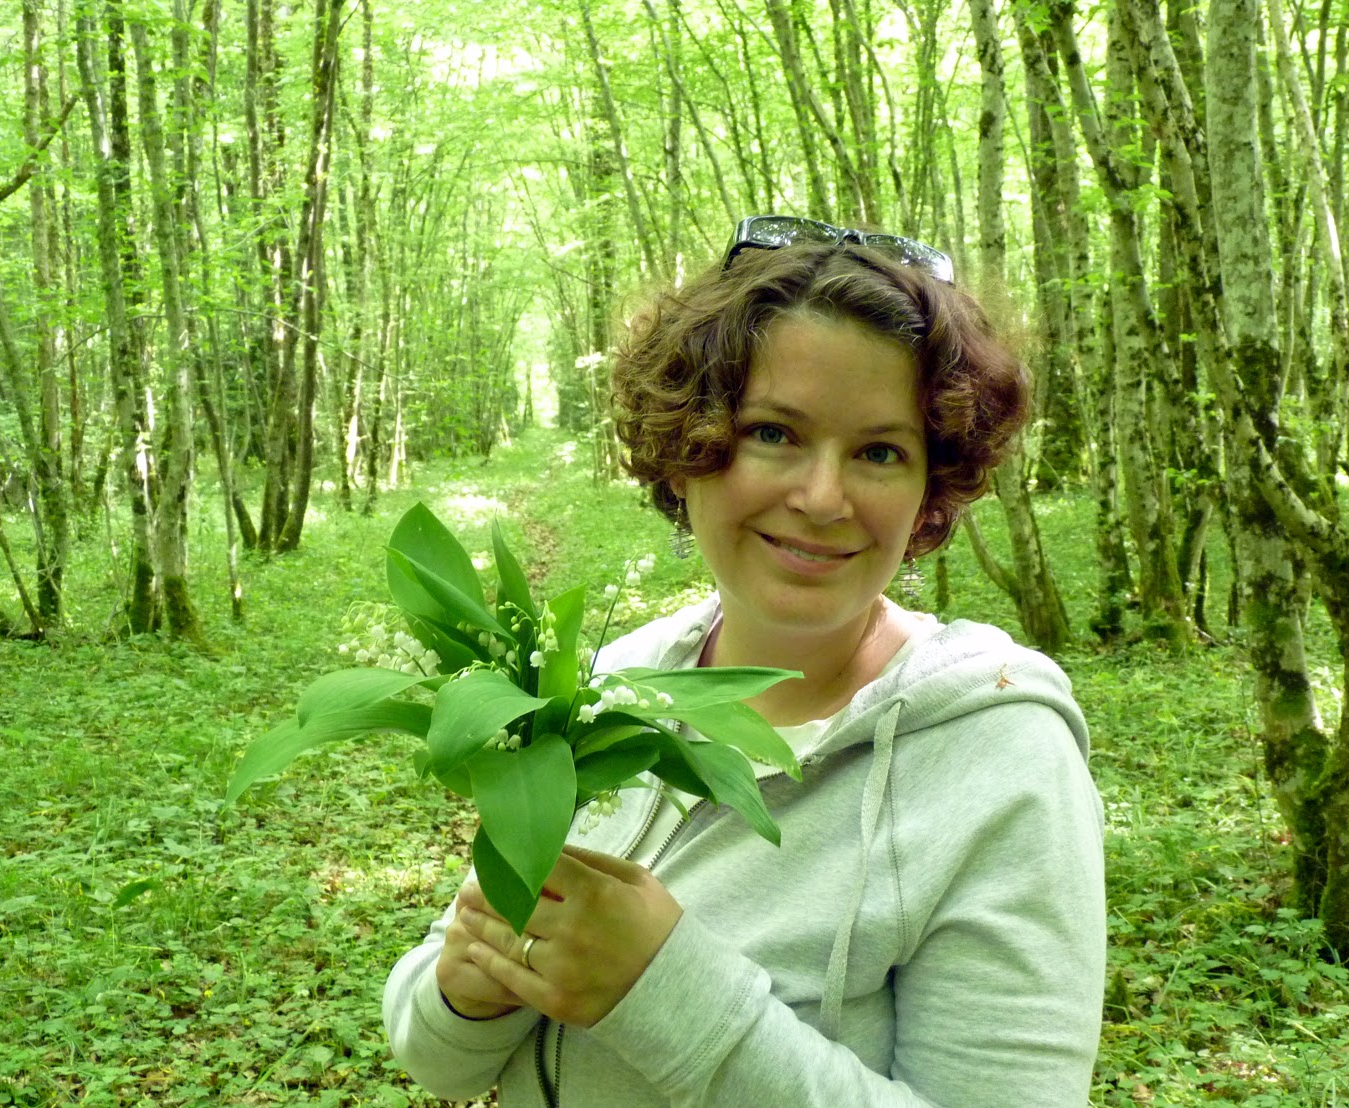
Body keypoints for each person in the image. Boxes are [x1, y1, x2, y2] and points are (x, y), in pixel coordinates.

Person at [383, 215, 1106, 1106]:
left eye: (881, 451)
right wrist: (465, 989)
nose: (823, 496)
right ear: (691, 446)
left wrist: (663, 992)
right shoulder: (607, 685)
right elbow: (439, 1056)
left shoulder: (998, 759)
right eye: (774, 432)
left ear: (929, 490)